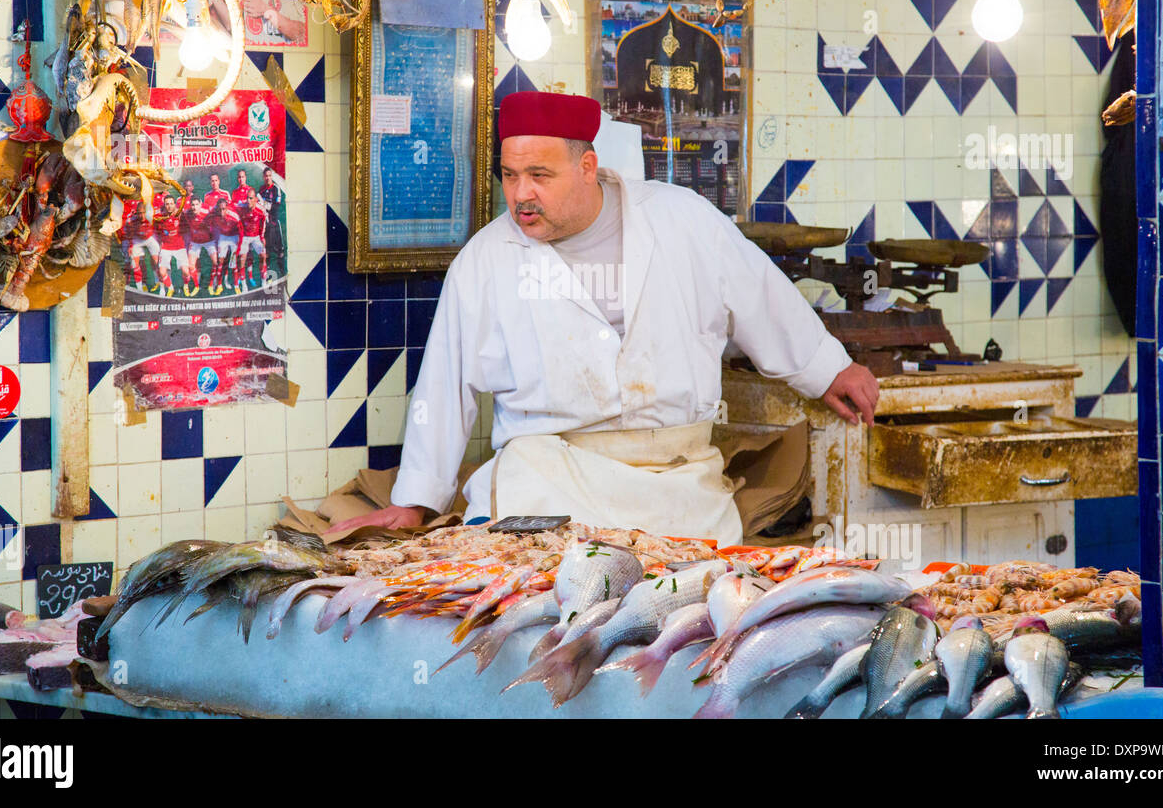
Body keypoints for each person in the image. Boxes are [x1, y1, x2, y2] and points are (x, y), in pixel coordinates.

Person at [342, 91, 879, 543]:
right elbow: (444, 385)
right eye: (509, 175)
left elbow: (761, 294)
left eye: (538, 175)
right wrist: (415, 500)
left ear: (587, 166)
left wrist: (827, 367)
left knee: (688, 619)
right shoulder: (485, 261)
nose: (520, 194)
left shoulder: (680, 219)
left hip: (679, 477)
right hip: (550, 479)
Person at [153, 192, 194, 297]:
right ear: (164, 205)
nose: (169, 206)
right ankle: (170, 288)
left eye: (171, 203)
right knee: (162, 272)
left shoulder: (180, 214)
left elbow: (188, 229)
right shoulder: (160, 217)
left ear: (175, 204)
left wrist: (188, 243)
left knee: (186, 272)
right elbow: (156, 231)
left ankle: (185, 285)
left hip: (179, 246)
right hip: (166, 246)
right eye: (167, 204)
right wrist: (160, 242)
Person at [120, 198, 161, 292]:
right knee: (135, 263)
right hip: (137, 239)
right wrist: (130, 246)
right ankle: (140, 288)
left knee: (157, 260)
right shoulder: (132, 220)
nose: (141, 215)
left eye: (143, 213)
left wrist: (160, 240)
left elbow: (160, 226)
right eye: (139, 213)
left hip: (150, 238)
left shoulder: (151, 216)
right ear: (136, 213)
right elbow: (129, 233)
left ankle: (158, 280)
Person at [208, 197, 243, 296]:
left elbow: (241, 231)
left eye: (223, 209)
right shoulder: (215, 216)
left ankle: (236, 286)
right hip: (223, 237)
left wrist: (239, 247)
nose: (222, 212)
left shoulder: (234, 217)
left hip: (234, 237)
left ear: (227, 208)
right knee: (220, 261)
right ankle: (219, 286)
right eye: (220, 209)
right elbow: (211, 227)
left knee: (233, 263)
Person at [184, 194, 218, 294]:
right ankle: (196, 286)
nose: (194, 207)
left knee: (216, 262)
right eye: (192, 205)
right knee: (190, 265)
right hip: (195, 242)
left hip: (209, 241)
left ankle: (212, 284)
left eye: (196, 204)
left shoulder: (208, 212)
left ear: (201, 204)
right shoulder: (187, 213)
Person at [257, 167, 285, 280]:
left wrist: (264, 205)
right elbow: (258, 206)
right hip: (265, 225)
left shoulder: (276, 189)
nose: (268, 178)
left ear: (271, 176)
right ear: (263, 177)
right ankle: (267, 277)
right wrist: (262, 206)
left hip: (274, 223)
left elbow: (276, 207)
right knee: (267, 250)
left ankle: (283, 272)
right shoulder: (261, 190)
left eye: (269, 175)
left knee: (280, 250)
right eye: (266, 176)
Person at [237, 189, 268, 291]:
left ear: (255, 199)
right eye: (247, 198)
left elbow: (263, 222)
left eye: (251, 198)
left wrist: (262, 237)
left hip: (256, 237)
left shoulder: (260, 210)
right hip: (245, 237)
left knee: (263, 256)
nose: (248, 200)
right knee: (242, 259)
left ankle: (264, 280)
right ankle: (244, 284)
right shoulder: (242, 208)